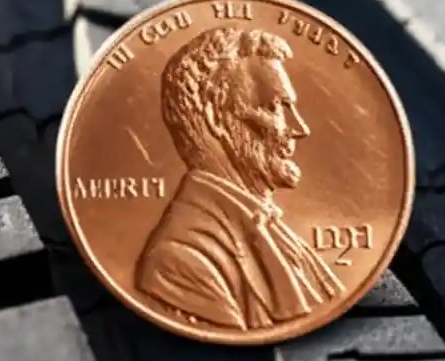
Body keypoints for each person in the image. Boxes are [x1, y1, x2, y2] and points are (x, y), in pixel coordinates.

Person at [137, 26, 344, 330]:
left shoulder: (273, 229)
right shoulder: (179, 261)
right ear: (216, 116)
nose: (300, 128)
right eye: (275, 106)